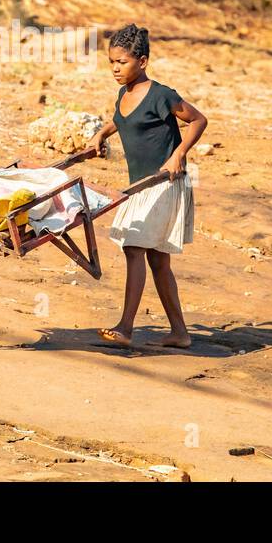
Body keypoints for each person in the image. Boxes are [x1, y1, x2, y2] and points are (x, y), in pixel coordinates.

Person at [85, 24, 207, 348]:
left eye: (121, 62)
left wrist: (179, 154)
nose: (114, 68)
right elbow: (122, 118)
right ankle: (180, 333)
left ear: (142, 61)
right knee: (158, 261)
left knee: (134, 246)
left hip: (165, 182)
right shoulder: (123, 93)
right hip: (141, 185)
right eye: (111, 61)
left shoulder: (161, 94)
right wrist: (102, 134)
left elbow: (198, 120)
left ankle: (126, 327)